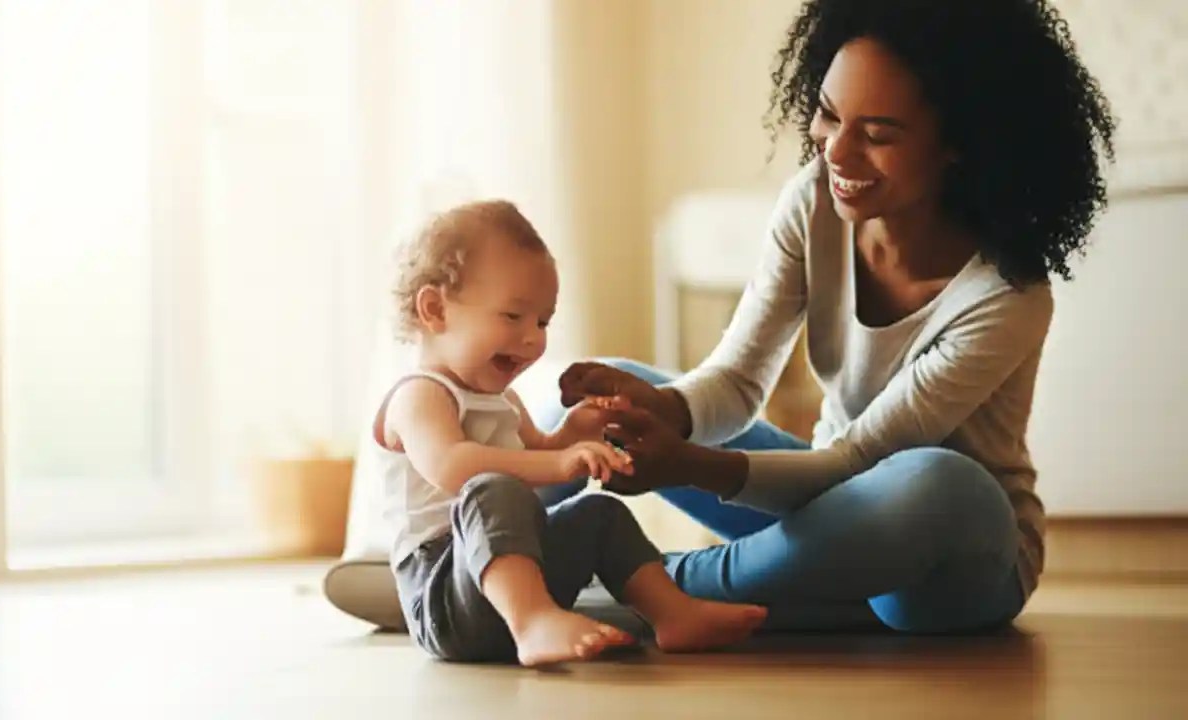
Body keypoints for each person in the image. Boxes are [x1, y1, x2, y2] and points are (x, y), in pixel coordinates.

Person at [549, 0, 1116, 633]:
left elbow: (858, 461)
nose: (837, 153)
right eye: (827, 115)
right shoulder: (812, 202)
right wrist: (667, 411)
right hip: (827, 502)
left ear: (959, 144)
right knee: (595, 400)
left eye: (877, 135)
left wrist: (680, 461)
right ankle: (480, 563)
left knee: (935, 479)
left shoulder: (1006, 295)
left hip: (954, 557)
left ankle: (635, 588)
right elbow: (737, 383)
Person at [371, 200, 767, 666]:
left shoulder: (500, 400)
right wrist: (559, 461)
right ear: (435, 309)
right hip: (445, 595)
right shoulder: (419, 395)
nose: (534, 339)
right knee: (489, 489)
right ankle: (533, 621)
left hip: (520, 568)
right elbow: (452, 467)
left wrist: (576, 432)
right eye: (513, 316)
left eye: (543, 321)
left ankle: (673, 615)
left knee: (598, 511)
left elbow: (538, 453)